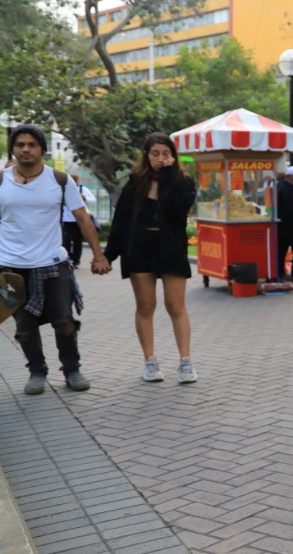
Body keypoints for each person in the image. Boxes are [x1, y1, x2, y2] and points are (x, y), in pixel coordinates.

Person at [0, 125, 110, 394]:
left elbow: (83, 217)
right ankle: (37, 373)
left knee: (65, 320)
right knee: (24, 326)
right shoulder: (1, 180)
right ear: (13, 149)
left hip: (52, 263)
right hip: (11, 267)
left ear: (42, 150)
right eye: (20, 145)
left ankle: (72, 370)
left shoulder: (60, 180)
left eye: (32, 145)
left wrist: (98, 256)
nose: (26, 149)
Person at [104, 133, 198, 384]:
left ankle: (185, 363)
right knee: (146, 306)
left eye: (165, 153)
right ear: (146, 156)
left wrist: (166, 179)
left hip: (170, 247)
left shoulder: (183, 182)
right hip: (140, 247)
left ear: (173, 156)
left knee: (175, 305)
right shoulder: (136, 182)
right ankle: (150, 362)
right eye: (155, 153)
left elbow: (178, 213)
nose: (160, 158)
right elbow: (121, 220)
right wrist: (107, 256)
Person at [61, 174, 97, 267]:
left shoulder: (82, 189)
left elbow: (94, 200)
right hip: (66, 220)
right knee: (66, 240)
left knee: (78, 241)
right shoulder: (62, 189)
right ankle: (68, 258)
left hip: (79, 220)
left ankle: (76, 260)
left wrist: (85, 198)